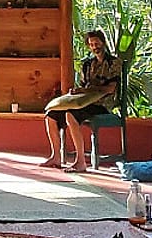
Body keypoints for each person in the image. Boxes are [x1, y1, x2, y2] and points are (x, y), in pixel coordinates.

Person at [40, 29, 122, 172]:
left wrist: (85, 91)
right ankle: (56, 157)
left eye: (96, 43)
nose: (94, 46)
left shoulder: (113, 63)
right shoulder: (87, 65)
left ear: (103, 43)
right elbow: (84, 87)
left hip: (102, 104)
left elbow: (110, 89)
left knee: (70, 115)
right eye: (91, 44)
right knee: (51, 115)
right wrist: (76, 92)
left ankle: (80, 162)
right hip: (84, 103)